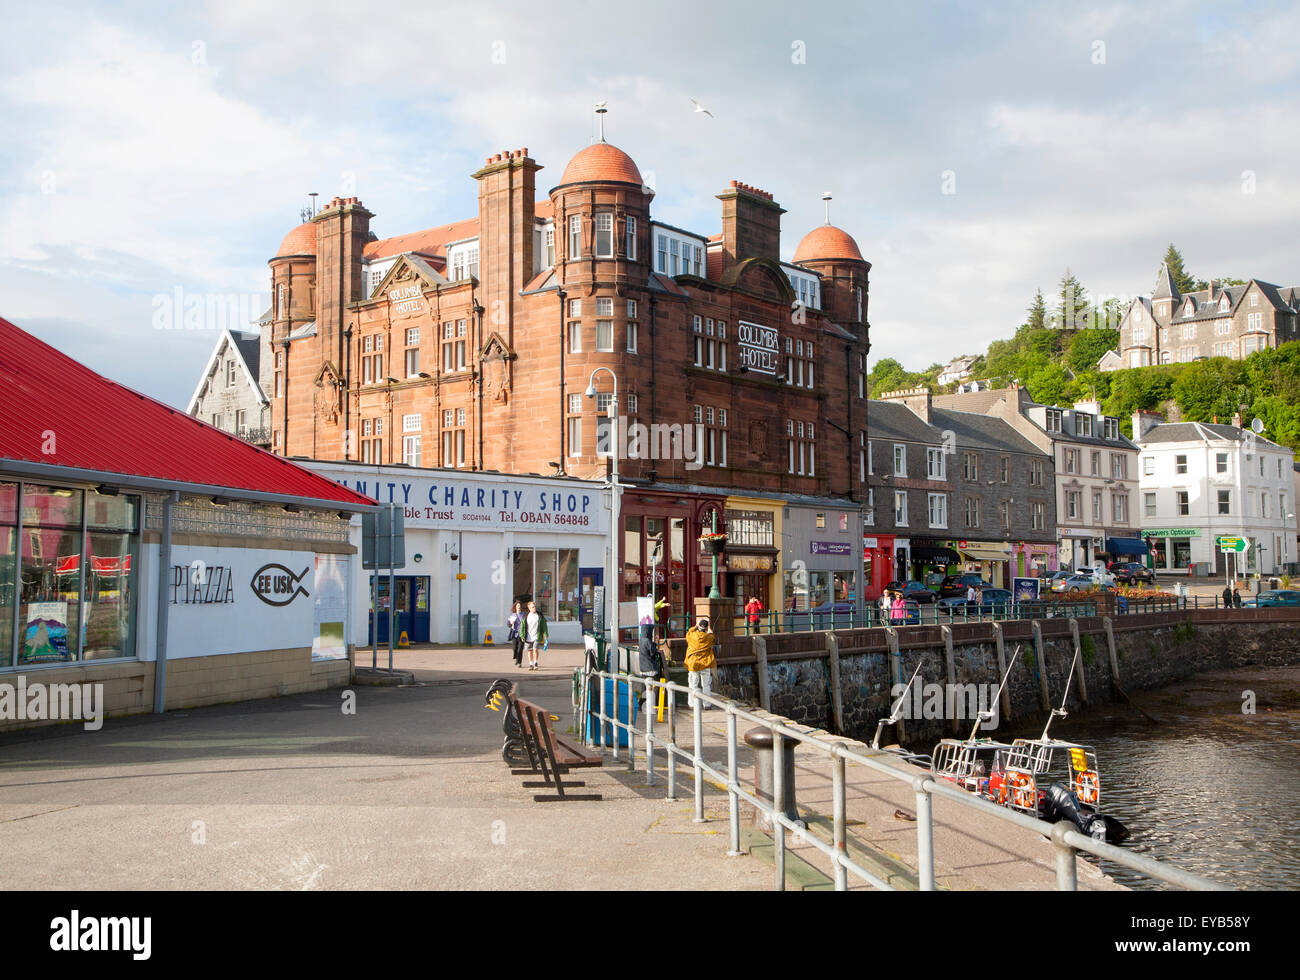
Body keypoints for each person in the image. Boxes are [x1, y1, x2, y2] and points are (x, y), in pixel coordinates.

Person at [684, 617, 716, 709]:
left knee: (693, 685)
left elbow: (689, 631)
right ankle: (707, 705)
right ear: (705, 628)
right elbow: (712, 637)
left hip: (693, 664)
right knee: (706, 685)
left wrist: (696, 625)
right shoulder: (709, 637)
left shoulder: (691, 635)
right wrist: (709, 629)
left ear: (698, 627)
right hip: (705, 664)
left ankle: (692, 704)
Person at [635, 623, 664, 715]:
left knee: (645, 687)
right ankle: (651, 706)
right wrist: (655, 646)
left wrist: (654, 642)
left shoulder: (641, 640)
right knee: (656, 685)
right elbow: (652, 652)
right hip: (650, 667)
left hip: (643, 667)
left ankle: (641, 704)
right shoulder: (647, 641)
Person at [524, 600, 548, 671]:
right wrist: (522, 635)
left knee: (535, 649)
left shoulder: (539, 616)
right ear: (529, 608)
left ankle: (536, 662)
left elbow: (544, 626)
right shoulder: (526, 616)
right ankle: (531, 663)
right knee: (529, 650)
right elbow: (522, 627)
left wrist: (545, 635)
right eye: (533, 607)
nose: (534, 608)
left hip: (537, 635)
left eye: (535, 607)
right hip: (528, 636)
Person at [507, 601, 525, 667]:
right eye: (517, 606)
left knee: (520, 648)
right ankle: (516, 658)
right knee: (514, 648)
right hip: (514, 633)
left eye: (520, 606)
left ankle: (519, 662)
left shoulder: (523, 615)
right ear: (515, 607)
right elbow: (508, 625)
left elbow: (526, 624)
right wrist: (510, 623)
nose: (519, 607)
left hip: (521, 634)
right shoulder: (512, 615)